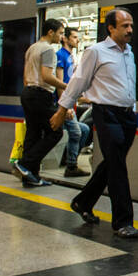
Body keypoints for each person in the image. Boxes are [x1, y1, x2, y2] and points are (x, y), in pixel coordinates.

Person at [51, 9, 138, 238]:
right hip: (106, 113)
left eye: (131, 25)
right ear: (110, 28)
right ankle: (122, 222)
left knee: (112, 161)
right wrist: (63, 109)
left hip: (128, 116)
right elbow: (78, 82)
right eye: (124, 26)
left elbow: (130, 84)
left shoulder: (129, 53)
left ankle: (82, 202)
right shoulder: (95, 52)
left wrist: (134, 109)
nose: (130, 30)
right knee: (118, 165)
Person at [13, 19, 67, 187]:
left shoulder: (32, 48)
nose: (61, 36)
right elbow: (47, 76)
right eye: (60, 33)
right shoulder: (49, 50)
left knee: (33, 133)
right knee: (55, 131)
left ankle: (30, 177)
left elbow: (25, 75)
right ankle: (25, 163)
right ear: (50, 32)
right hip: (40, 94)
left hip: (28, 92)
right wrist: (68, 86)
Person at [56, 27, 90, 177]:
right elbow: (59, 82)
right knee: (76, 132)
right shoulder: (60, 56)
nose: (77, 40)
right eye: (75, 37)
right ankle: (71, 166)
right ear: (66, 39)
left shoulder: (71, 57)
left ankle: (68, 159)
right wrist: (65, 106)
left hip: (70, 101)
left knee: (84, 130)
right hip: (64, 103)